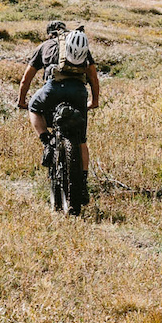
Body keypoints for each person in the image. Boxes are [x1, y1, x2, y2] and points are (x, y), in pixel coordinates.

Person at [18, 24, 102, 203]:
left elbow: (26, 78)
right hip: (79, 93)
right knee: (81, 140)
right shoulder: (79, 46)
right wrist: (94, 101)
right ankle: (83, 184)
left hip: (53, 90)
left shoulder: (44, 46)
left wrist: (21, 101)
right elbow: (93, 78)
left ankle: (46, 141)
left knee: (34, 108)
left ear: (49, 34)